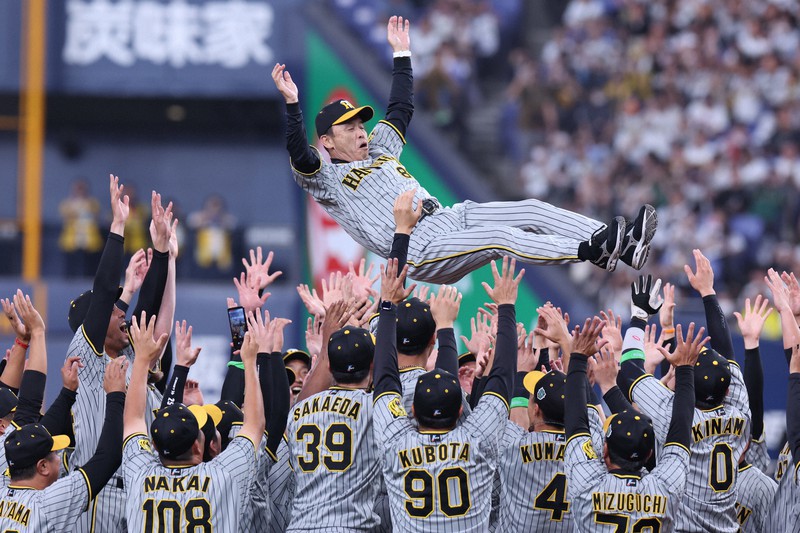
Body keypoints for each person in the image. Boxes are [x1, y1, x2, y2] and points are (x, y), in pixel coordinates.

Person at [272, 16, 657, 285]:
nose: (360, 132)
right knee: (501, 239)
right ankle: (589, 250)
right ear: (326, 141)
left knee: (532, 209)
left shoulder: (378, 150)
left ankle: (619, 247)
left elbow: (401, 109)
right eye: (349, 127)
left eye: (360, 124)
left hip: (450, 217)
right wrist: (292, 105)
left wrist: (402, 55)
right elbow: (299, 155)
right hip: (419, 248)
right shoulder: (328, 179)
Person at [372, 256, 519, 531]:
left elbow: (384, 379)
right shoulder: (479, 440)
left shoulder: (396, 442)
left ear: (412, 413)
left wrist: (387, 304)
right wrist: (507, 308)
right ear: (461, 409)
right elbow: (503, 379)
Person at [121, 311, 264, 531]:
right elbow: (254, 425)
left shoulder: (139, 474)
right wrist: (250, 360)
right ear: (198, 445)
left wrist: (140, 360)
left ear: (156, 446)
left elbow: (132, 419)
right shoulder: (222, 476)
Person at [0, 290, 128, 532]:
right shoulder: (49, 502)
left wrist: (68, 393)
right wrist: (115, 396)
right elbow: (108, 458)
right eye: (53, 454)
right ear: (42, 467)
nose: (60, 456)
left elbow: (24, 408)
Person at [565, 317, 703, 531]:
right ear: (649, 455)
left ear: (604, 451)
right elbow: (681, 431)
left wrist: (577, 358)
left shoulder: (587, 484)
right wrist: (685, 370)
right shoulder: (665, 487)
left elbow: (575, 424)